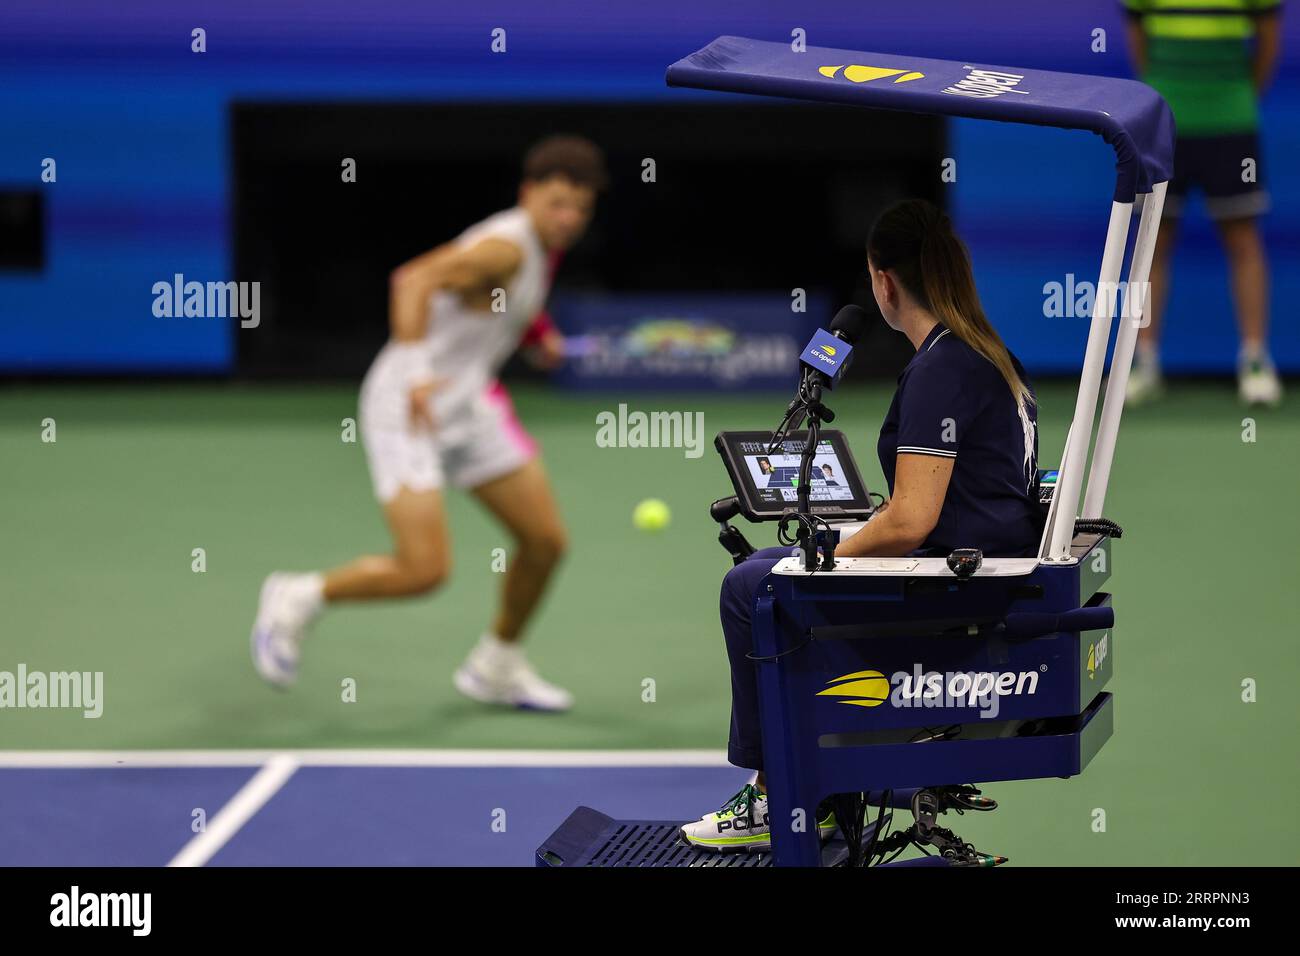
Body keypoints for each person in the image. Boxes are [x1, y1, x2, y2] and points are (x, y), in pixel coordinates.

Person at [680, 199, 1041, 851]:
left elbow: (910, 521)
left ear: (883, 281)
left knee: (752, 586)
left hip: (956, 592)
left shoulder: (943, 367)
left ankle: (782, 797)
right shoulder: (981, 352)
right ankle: (806, 784)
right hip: (975, 572)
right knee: (765, 565)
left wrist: (833, 546)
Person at [250, 135, 608, 712]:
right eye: (557, 203)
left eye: (580, 210)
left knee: (543, 542)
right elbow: (412, 281)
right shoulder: (506, 247)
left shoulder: (540, 249)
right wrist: (418, 373)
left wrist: (540, 340)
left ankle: (496, 666)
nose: (568, 219)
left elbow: (506, 303)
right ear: (528, 195)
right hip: (406, 404)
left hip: (469, 403)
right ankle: (299, 595)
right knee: (424, 569)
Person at [1121, 0, 1284, 406]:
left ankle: (1255, 361)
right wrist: (1166, 95)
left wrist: (1236, 96)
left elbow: (1268, 39)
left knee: (1243, 238)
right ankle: (1144, 363)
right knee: (1152, 244)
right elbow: (1138, 40)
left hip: (1230, 120)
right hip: (1163, 123)